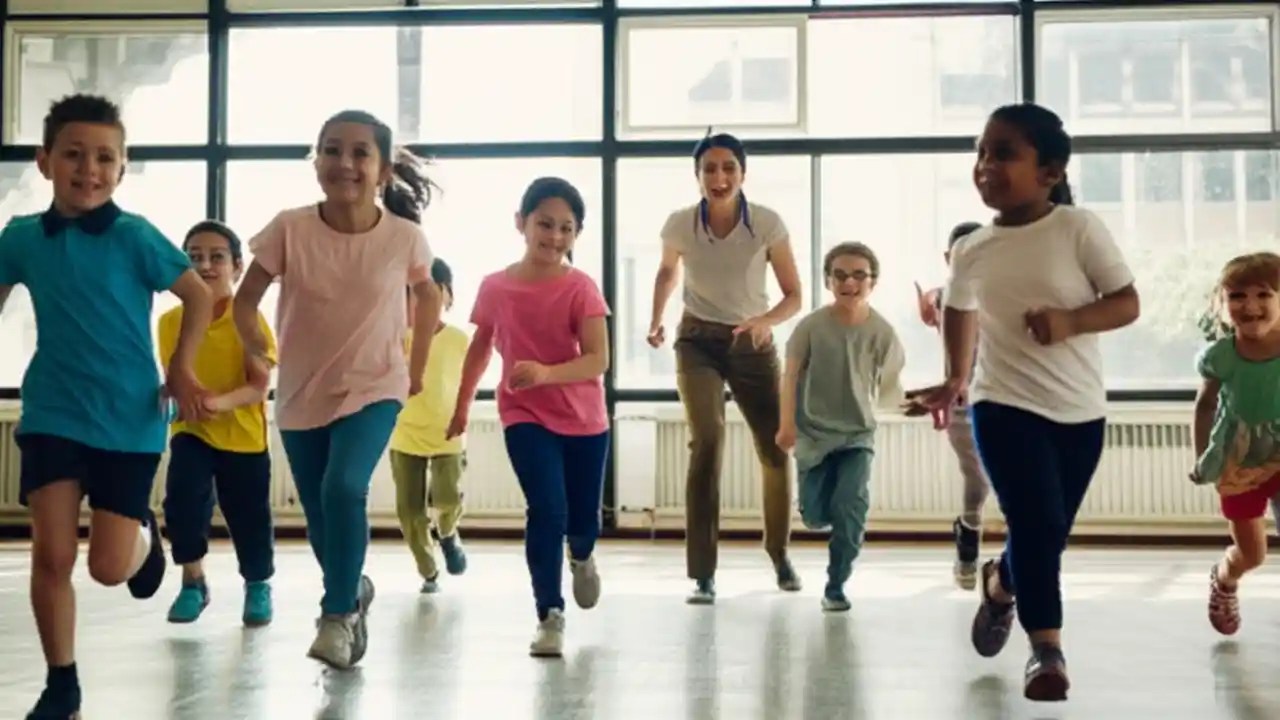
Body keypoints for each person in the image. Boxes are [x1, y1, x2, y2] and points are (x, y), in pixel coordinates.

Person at [913, 102, 1140, 702]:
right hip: (1002, 404)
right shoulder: (973, 249)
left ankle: (1000, 585)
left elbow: (1126, 302)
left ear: (1050, 170)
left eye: (1004, 153)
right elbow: (959, 310)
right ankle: (1047, 652)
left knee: (1046, 533)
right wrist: (955, 377)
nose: (986, 165)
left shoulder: (1078, 229)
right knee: (1034, 524)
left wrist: (1070, 320)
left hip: (1079, 412)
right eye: (981, 153)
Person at [0, 94, 212, 720]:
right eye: (73, 155)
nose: (87, 169)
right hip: (52, 413)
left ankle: (145, 537)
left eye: (103, 158)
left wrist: (180, 368)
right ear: (44, 162)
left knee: (107, 569)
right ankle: (61, 683)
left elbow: (198, 298)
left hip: (129, 419)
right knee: (52, 556)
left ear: (121, 169)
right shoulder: (20, 239)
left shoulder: (135, 236)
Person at [232, 109, 442, 671]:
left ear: (383, 170)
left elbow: (429, 297)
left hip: (376, 384)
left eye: (359, 153)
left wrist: (415, 365)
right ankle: (352, 590)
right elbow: (244, 301)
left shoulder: (404, 238)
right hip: (302, 390)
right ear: (317, 159)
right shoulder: (290, 227)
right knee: (322, 515)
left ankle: (336, 617)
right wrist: (257, 348)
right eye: (331, 150)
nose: (343, 163)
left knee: (344, 486)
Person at [449, 176, 609, 658]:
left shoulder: (581, 287)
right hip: (524, 414)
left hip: (584, 420)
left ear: (577, 234)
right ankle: (549, 614)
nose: (555, 237)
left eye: (566, 228)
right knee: (547, 509)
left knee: (581, 522)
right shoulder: (495, 287)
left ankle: (581, 556)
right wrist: (460, 405)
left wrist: (546, 372)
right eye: (545, 224)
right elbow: (479, 349)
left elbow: (598, 359)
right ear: (521, 223)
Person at [647, 131, 804, 604]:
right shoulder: (679, 224)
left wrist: (765, 320)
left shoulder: (768, 224)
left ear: (742, 173)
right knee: (708, 441)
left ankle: (778, 553)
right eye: (709, 169)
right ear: (697, 177)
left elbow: (793, 294)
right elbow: (667, 272)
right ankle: (702, 572)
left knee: (775, 447)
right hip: (697, 341)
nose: (719, 178)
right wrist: (655, 319)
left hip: (752, 342)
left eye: (728, 168)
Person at [158, 220, 277, 627]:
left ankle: (258, 584)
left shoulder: (250, 322)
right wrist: (169, 394)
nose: (206, 265)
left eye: (217, 257)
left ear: (238, 266)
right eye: (194, 258)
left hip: (243, 437)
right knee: (182, 501)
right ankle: (193, 582)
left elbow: (258, 387)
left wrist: (215, 402)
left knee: (249, 517)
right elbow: (176, 376)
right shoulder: (170, 323)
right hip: (192, 431)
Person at [776, 242, 904, 613]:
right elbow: (789, 377)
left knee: (850, 506)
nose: (850, 282)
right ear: (829, 281)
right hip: (812, 434)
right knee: (816, 515)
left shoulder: (882, 332)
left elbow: (893, 386)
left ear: (873, 282)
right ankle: (821, 508)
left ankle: (836, 585)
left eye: (859, 275)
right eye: (841, 275)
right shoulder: (810, 327)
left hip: (857, 435)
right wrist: (786, 427)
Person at [1190, 252, 1280, 637]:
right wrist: (1202, 459)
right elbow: (1206, 405)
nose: (1251, 305)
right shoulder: (1221, 357)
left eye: (1264, 294)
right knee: (1253, 554)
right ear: (1223, 304)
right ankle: (1226, 578)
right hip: (1239, 461)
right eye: (1238, 296)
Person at [910, 220, 991, 590]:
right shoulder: (945, 296)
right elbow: (934, 305)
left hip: (1002, 398)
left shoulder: (1004, 296)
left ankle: (981, 541)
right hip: (960, 401)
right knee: (977, 475)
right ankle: (969, 537)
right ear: (949, 257)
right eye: (963, 253)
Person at [389, 258, 470, 593]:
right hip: (404, 434)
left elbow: (468, 383)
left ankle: (448, 534)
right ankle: (428, 570)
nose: (419, 302)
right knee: (410, 511)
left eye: (429, 294)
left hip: (448, 434)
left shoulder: (458, 339)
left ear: (447, 297)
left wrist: (462, 414)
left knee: (448, 498)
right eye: (411, 294)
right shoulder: (394, 338)